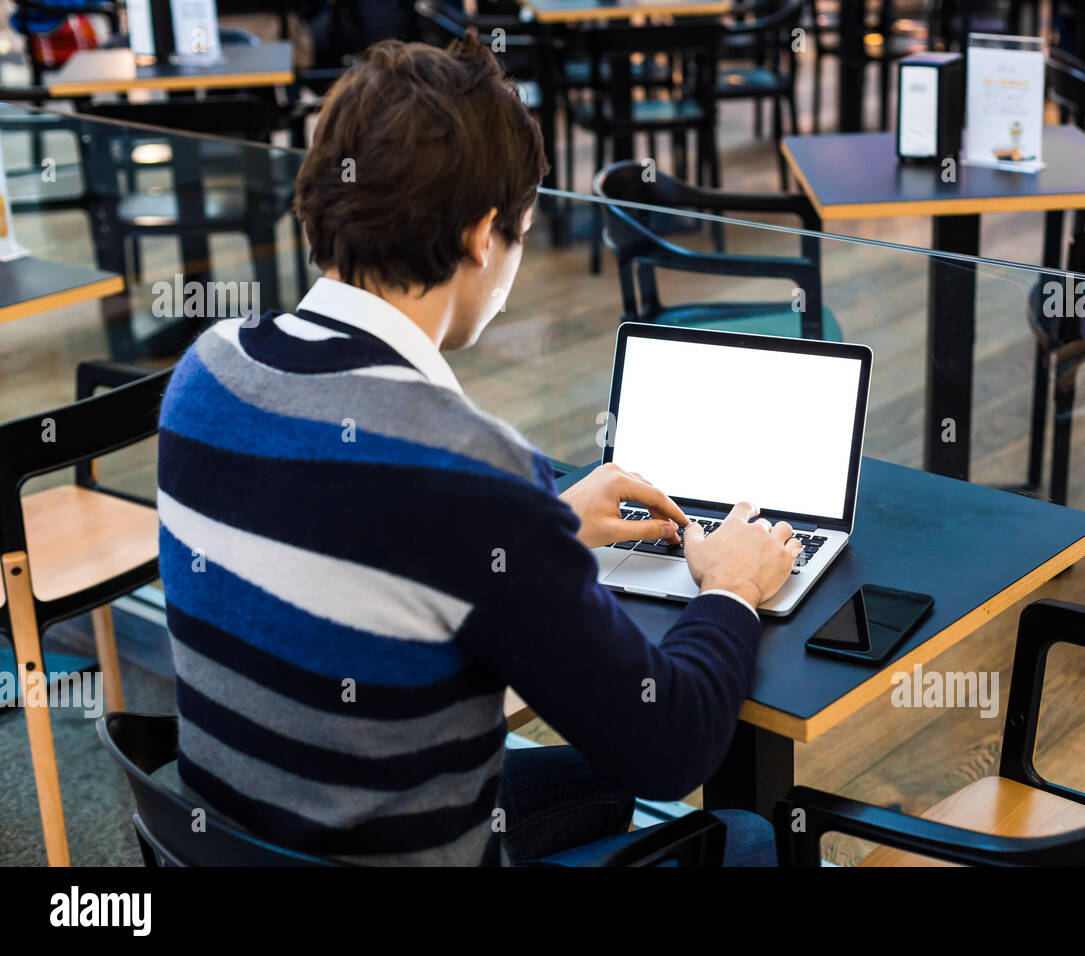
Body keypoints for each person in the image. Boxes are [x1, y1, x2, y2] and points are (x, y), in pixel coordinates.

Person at [155, 37, 800, 866]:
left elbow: (342, 521)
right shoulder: (466, 466)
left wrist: (537, 525)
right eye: (522, 234)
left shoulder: (209, 369)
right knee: (746, 839)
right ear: (481, 235)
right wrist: (734, 588)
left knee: (595, 786)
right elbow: (671, 745)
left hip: (238, 844)